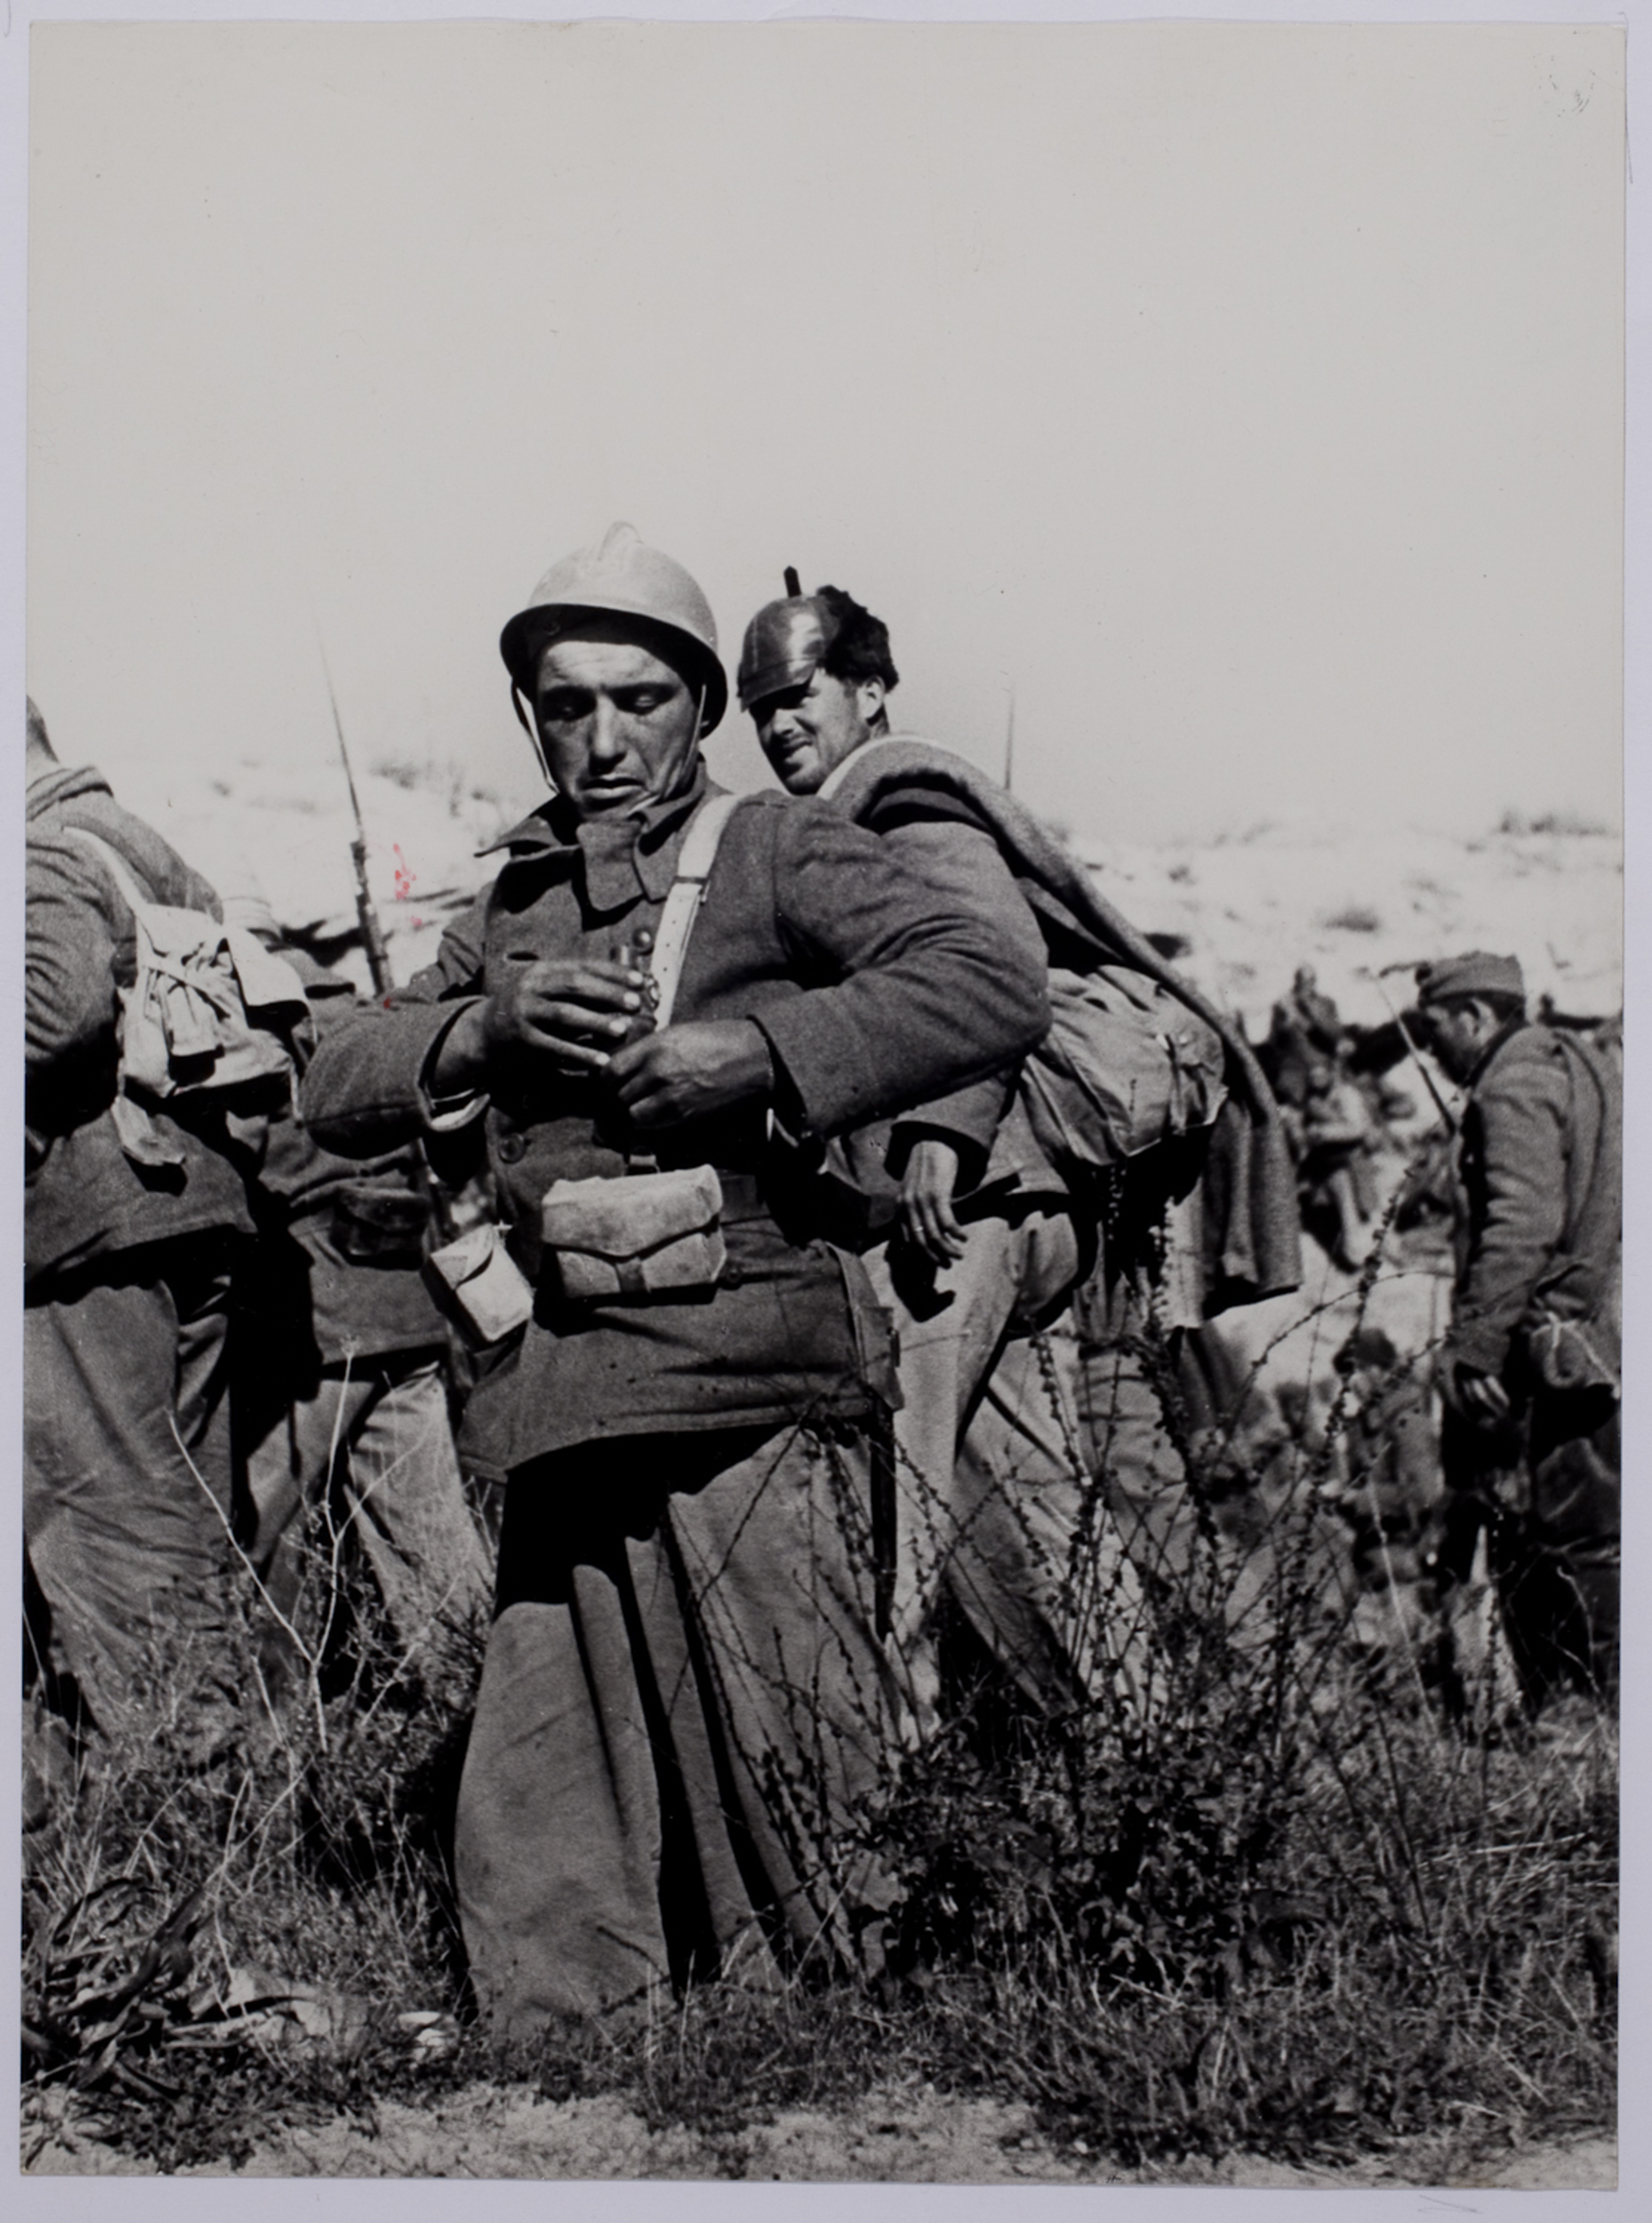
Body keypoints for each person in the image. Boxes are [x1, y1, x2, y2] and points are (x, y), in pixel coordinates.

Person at [301, 525, 1051, 2028]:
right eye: (563, 704)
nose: (600, 738)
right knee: (542, 1807)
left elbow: (987, 980)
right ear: (528, 718)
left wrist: (762, 1052)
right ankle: (582, 2051)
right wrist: (480, 1036)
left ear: (700, 709)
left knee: (810, 1796)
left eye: (637, 701)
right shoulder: (509, 902)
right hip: (566, 1397)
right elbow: (333, 1074)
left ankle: (859, 2045)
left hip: (742, 1382)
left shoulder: (773, 849)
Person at [737, 576, 1299, 1729]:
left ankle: (906, 1771)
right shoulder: (858, 812)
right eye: (760, 709)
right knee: (1041, 1505)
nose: (779, 723)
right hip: (1000, 1207)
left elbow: (991, 969)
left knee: (909, 1515)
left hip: (967, 1212)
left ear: (869, 688)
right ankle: (1150, 1764)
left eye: (798, 695)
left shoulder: (903, 810)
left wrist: (944, 1131)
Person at [23, 699, 261, 1810]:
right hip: (183, 1212)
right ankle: (228, 1824)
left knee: (106, 1521)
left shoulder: (30, 847)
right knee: (179, 1514)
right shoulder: (135, 841)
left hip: (85, 1236)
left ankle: (179, 1827)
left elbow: (52, 1010)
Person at [228, 898, 493, 1705]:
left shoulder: (241, 1021)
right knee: (438, 1559)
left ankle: (271, 1747)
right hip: (408, 1316)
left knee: (250, 1542)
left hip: (322, 1330)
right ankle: (485, 1715)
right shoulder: (352, 1012)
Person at [1415, 952, 1620, 1711]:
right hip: (1589, 1327)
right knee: (1584, 1526)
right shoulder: (1580, 1060)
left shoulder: (1513, 1084)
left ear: (1474, 1018)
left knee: (1571, 1531)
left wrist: (1475, 1347)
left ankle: (1582, 1710)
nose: (1430, 1044)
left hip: (1557, 1338)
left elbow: (1522, 1223)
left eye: (1436, 1027)